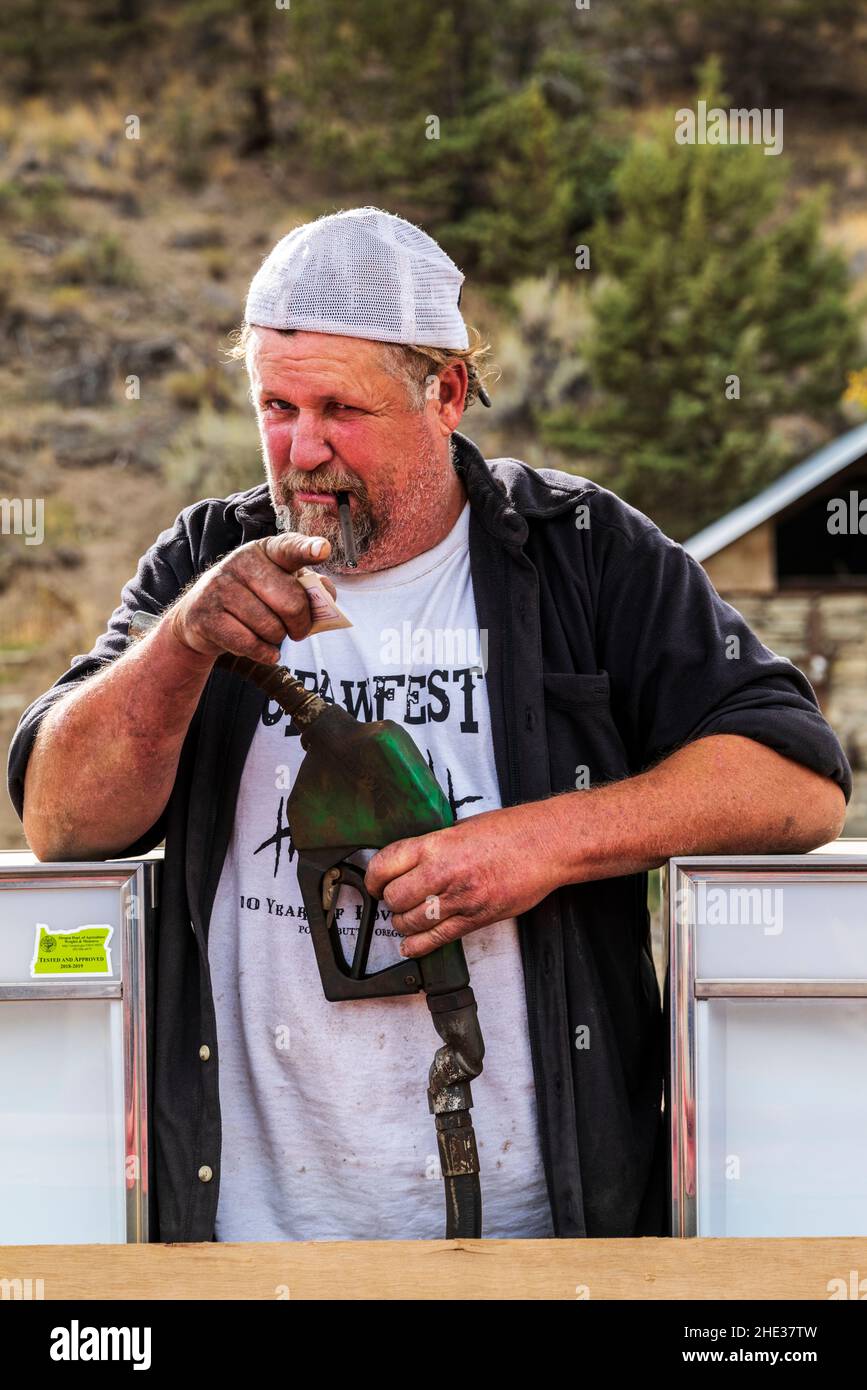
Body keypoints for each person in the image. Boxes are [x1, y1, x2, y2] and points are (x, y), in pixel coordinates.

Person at [7, 206, 850, 1243]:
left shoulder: (581, 550)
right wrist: (182, 646)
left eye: (338, 408)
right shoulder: (206, 559)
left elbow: (798, 779)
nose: (301, 449)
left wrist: (540, 842)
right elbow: (62, 819)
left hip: (546, 1238)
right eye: (275, 404)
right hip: (248, 1238)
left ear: (445, 392)